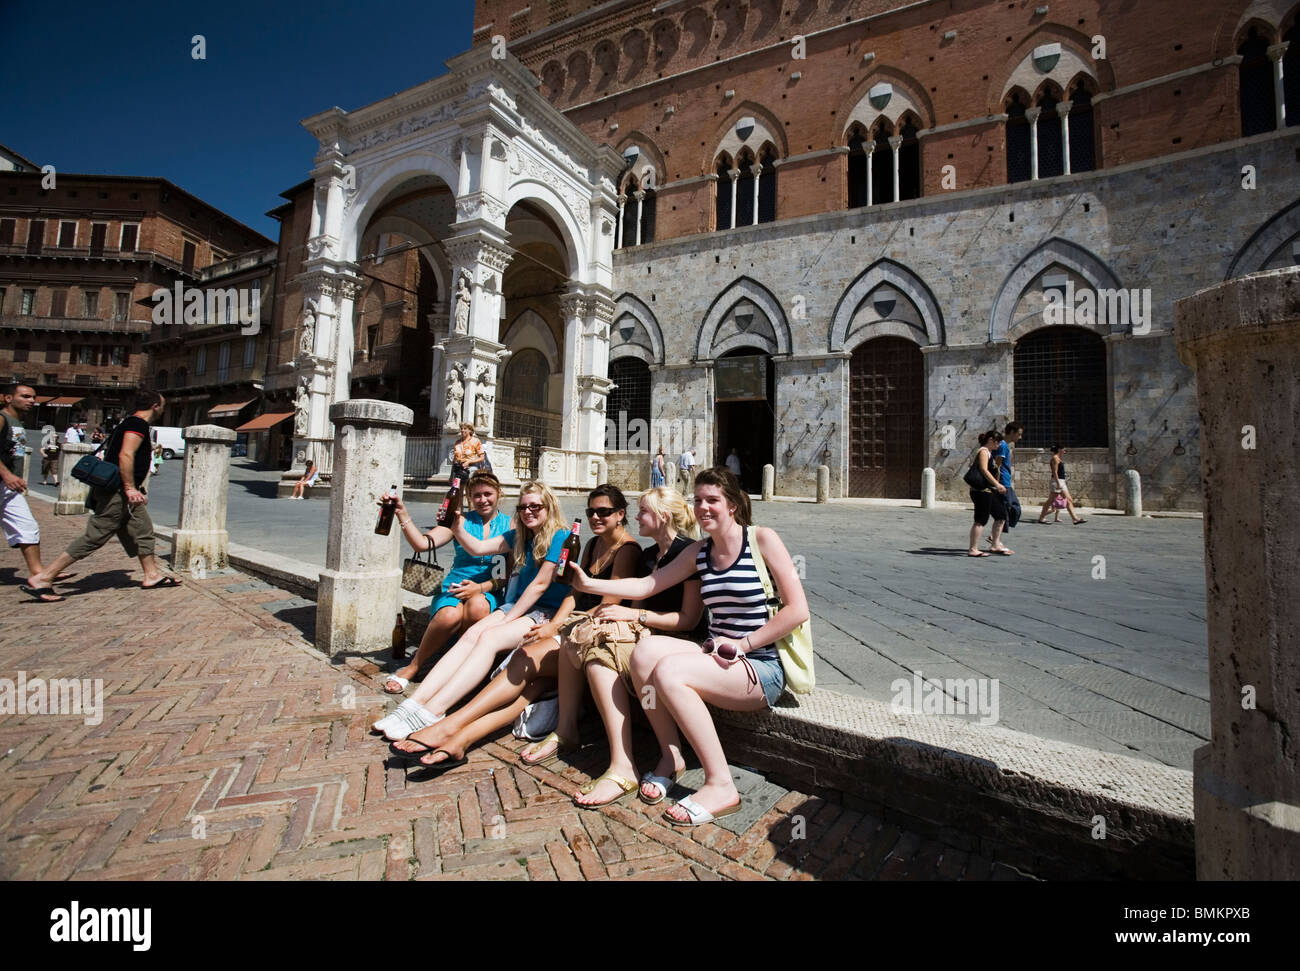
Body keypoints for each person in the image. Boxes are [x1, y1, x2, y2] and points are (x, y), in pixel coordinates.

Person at [568, 467, 808, 826]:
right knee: (643, 653)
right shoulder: (700, 551)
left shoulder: (762, 539)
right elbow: (650, 583)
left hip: (760, 665)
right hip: (717, 656)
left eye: (713, 500)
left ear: (732, 504)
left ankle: (721, 783)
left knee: (668, 671)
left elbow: (797, 610)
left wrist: (744, 643)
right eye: (698, 500)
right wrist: (588, 585)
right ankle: (671, 756)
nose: (703, 508)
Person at [389, 485, 645, 777]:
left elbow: (604, 605)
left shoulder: (623, 549)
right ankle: (450, 728)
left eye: (604, 512)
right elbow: (574, 593)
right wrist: (554, 625)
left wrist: (553, 625)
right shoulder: (591, 544)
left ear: (621, 514)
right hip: (566, 624)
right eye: (591, 512)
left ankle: (452, 727)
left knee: (521, 668)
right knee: (525, 680)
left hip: (585, 630)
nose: (595, 517)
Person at [531, 486, 707, 809]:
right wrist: (619, 618)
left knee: (600, 656)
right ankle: (566, 728)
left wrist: (635, 615)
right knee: (577, 635)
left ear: (662, 516)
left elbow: (689, 620)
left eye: (642, 511)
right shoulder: (651, 555)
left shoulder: (688, 551)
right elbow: (638, 596)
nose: (636, 517)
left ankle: (622, 765)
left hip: (681, 641)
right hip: (649, 633)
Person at [371, 480, 571, 743]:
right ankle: (414, 704)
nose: (528, 511)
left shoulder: (561, 535)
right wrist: (455, 525)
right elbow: (477, 548)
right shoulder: (521, 535)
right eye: (523, 507)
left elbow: (540, 585)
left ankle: (433, 710)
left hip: (545, 611)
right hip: (520, 606)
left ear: (549, 507)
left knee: (489, 637)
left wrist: (505, 619)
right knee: (472, 635)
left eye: (536, 506)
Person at [28, 389, 180, 594]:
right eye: (162, 404)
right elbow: (126, 454)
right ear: (155, 406)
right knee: (95, 536)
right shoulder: (137, 424)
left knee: (144, 531)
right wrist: (129, 488)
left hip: (122, 492)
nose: (162, 408)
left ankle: (152, 574)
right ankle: (44, 577)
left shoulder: (128, 422)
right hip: (118, 492)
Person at [380, 470, 512, 694]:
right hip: (453, 587)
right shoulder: (458, 521)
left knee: (478, 605)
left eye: (488, 493)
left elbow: (509, 571)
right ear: (469, 497)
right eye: (476, 495)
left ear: (498, 493)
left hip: (490, 588)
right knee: (450, 614)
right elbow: (422, 544)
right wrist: (401, 513)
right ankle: (414, 666)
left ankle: (458, 665)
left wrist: (481, 587)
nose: (483, 500)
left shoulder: (511, 524)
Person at [3, 384, 72, 602]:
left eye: (33, 397)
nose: (31, 400)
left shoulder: (17, 423)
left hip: (8, 488)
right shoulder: (2, 419)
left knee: (27, 527)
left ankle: (39, 575)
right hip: (4, 482)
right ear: (7, 398)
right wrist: (6, 475)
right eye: (24, 396)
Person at [967, 430, 1011, 557]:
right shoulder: (983, 451)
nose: (998, 446)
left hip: (989, 490)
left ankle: (995, 544)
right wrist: (997, 484)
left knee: (1001, 515)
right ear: (991, 440)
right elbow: (983, 470)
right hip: (981, 491)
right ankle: (973, 549)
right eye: (997, 443)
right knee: (981, 520)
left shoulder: (989, 452)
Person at [1038, 445, 1087, 525]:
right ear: (1059, 450)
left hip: (1061, 481)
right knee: (1050, 501)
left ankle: (1075, 519)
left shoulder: (1058, 458)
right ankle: (1041, 518)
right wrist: (1058, 484)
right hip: (1057, 482)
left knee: (1069, 499)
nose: (1065, 450)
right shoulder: (1055, 458)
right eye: (1063, 449)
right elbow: (1055, 472)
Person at [994, 422, 1023, 530]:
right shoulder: (1002, 446)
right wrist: (996, 483)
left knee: (1009, 508)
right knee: (1011, 508)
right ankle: (995, 537)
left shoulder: (1003, 445)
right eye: (1018, 434)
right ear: (1011, 432)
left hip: (1005, 481)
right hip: (1003, 482)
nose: (1020, 437)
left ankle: (995, 537)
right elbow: (997, 465)